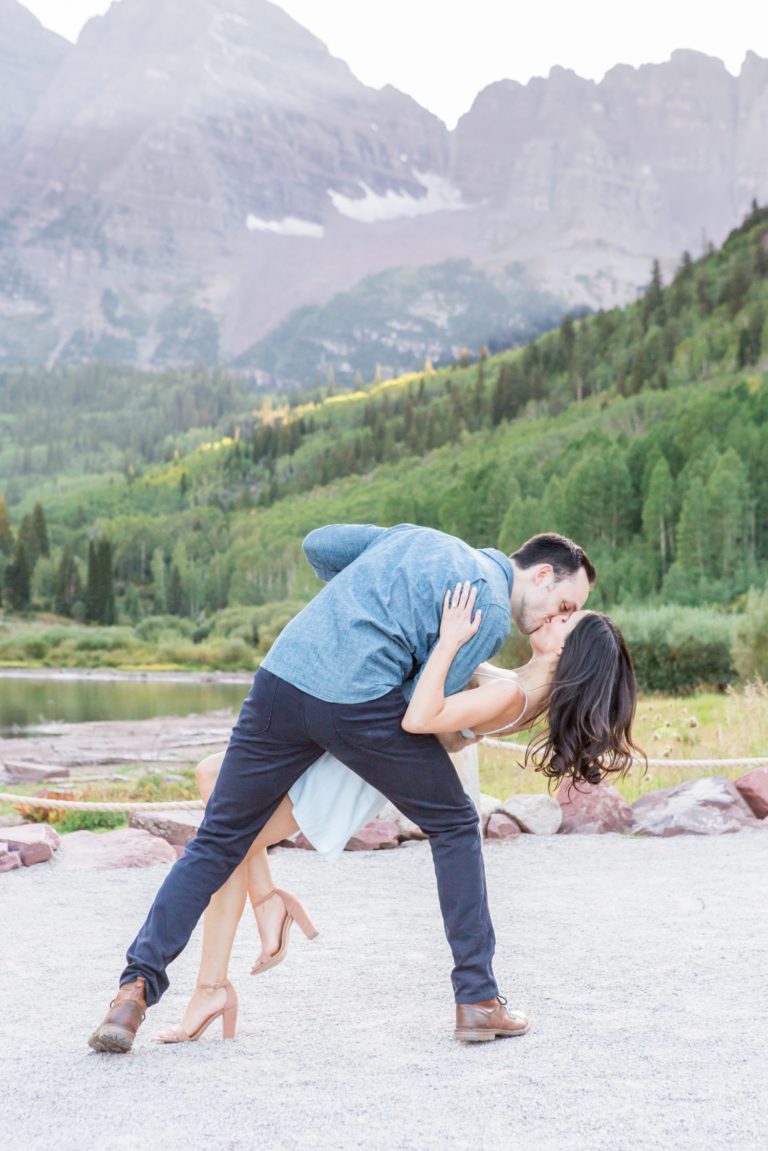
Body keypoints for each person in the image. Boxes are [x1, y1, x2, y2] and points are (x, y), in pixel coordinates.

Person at [89, 524, 595, 1053]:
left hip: (282, 675)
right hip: (356, 702)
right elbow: (422, 709)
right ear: (541, 574)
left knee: (217, 840)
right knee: (455, 822)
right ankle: (478, 998)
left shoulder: (414, 537)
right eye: (564, 604)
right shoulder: (486, 610)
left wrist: (361, 595)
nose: (557, 617)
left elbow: (318, 544)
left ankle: (132, 993)